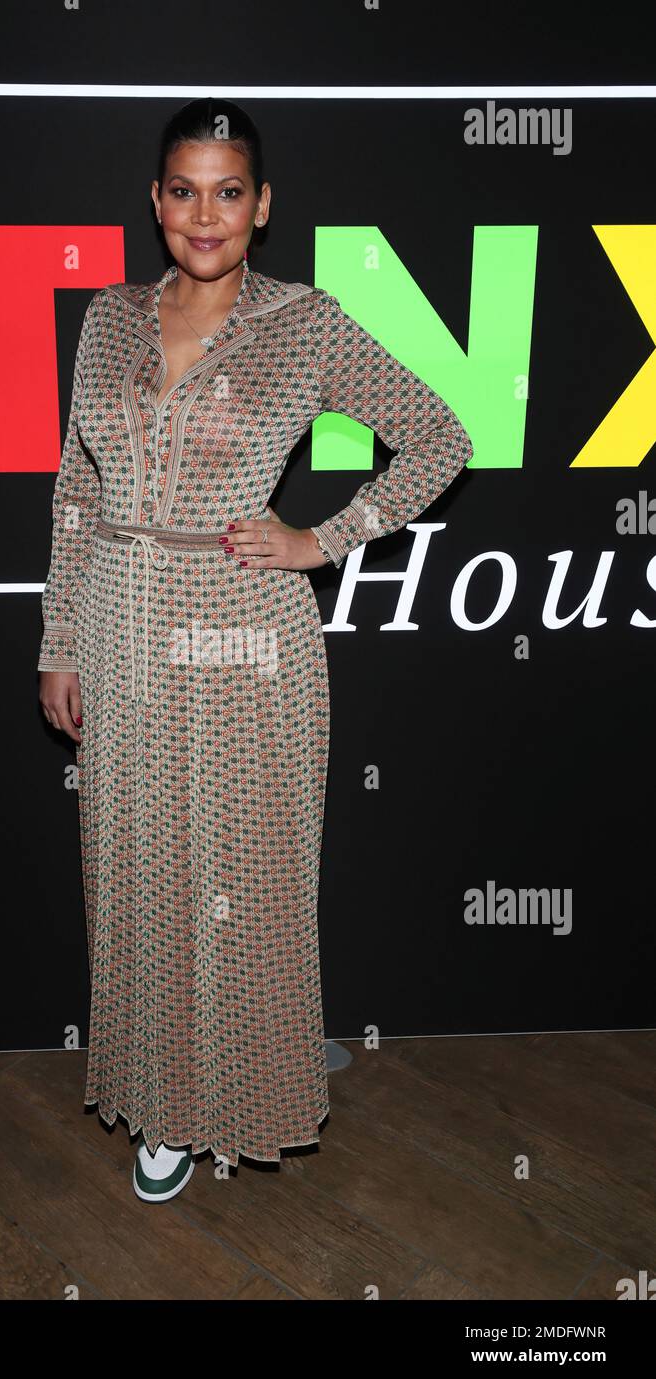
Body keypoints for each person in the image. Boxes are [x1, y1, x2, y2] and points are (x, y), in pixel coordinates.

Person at [39, 97, 473, 1203]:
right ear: (155, 201)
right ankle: (163, 1105)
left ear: (261, 206)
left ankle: (251, 1081)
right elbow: (76, 489)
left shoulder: (306, 323)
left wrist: (319, 539)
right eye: (182, 189)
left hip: (242, 642)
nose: (203, 213)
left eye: (226, 191)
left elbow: (441, 435)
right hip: (120, 634)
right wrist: (58, 639)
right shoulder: (105, 318)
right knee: (137, 874)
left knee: (244, 877)